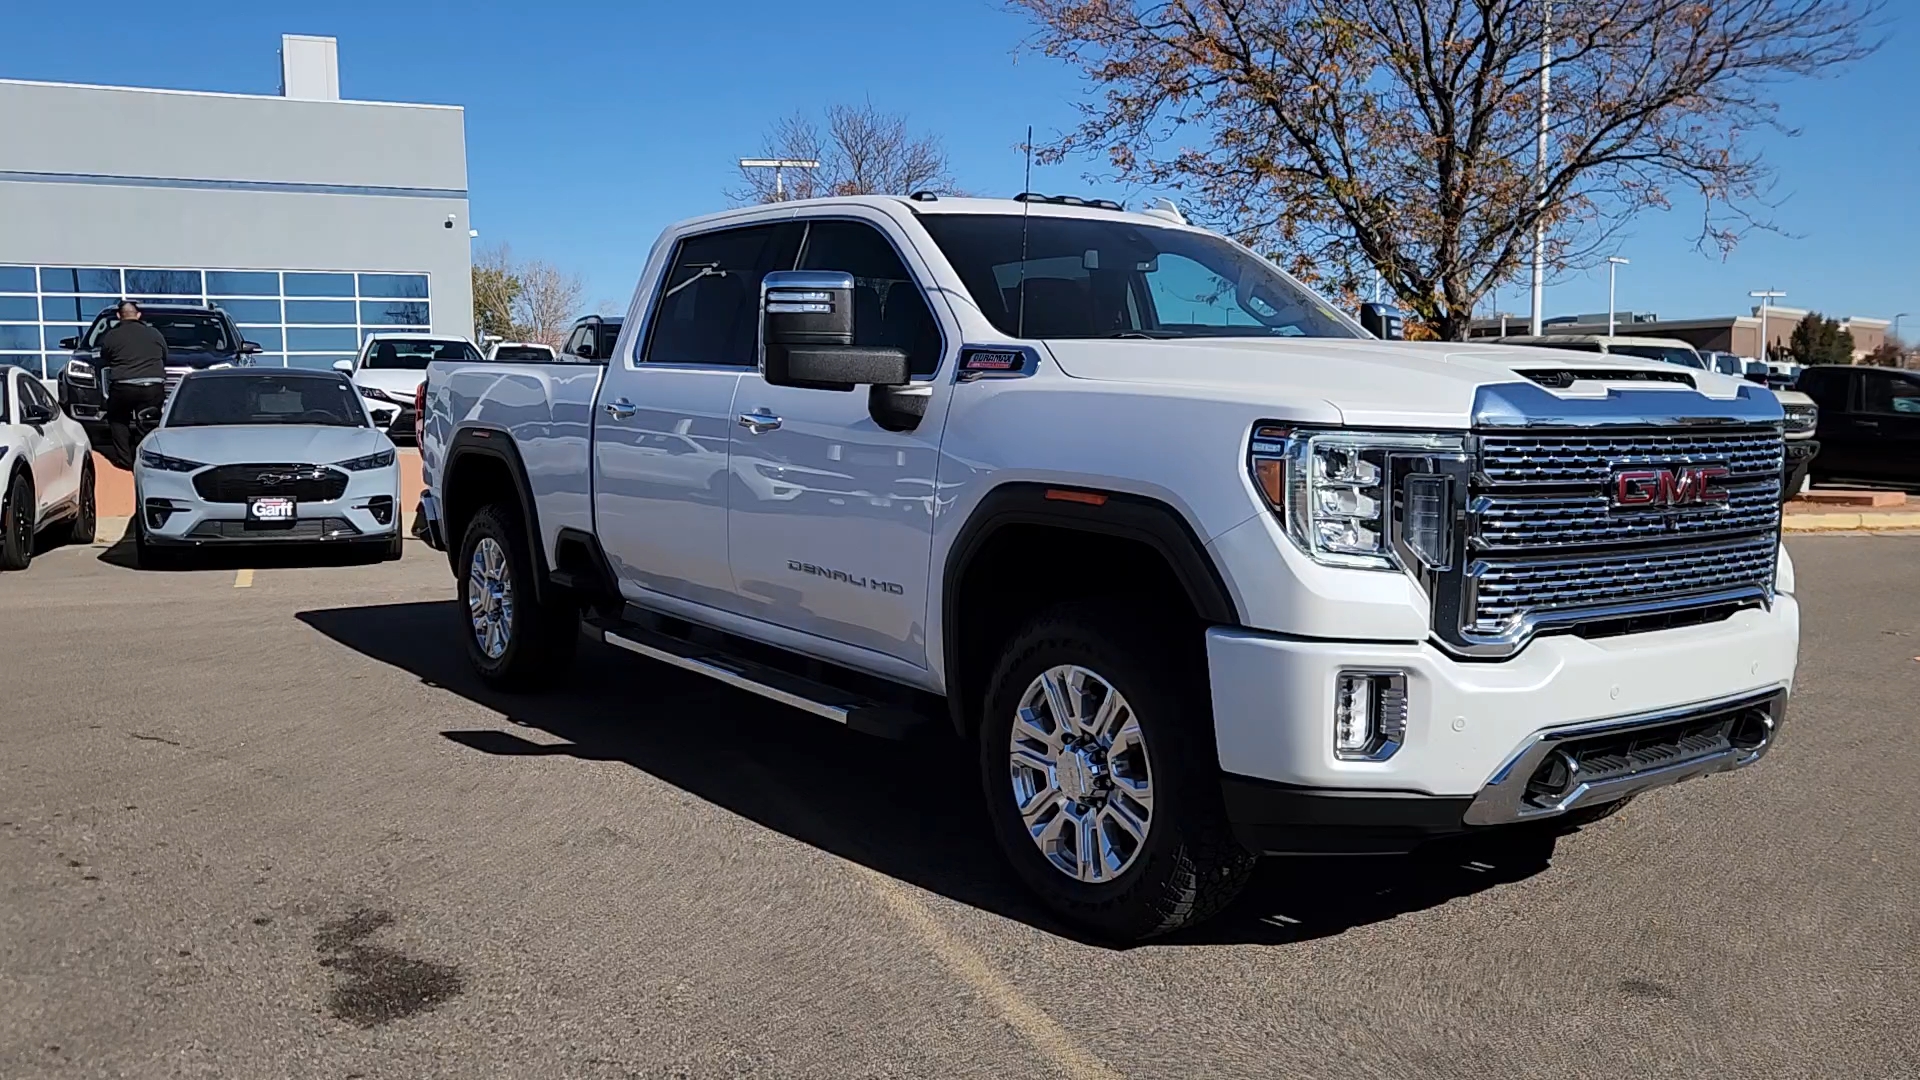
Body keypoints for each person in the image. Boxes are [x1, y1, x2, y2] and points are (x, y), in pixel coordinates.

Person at [96, 300, 169, 468]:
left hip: (123, 386)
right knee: (149, 423)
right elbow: (164, 355)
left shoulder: (112, 336)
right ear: (138, 315)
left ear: (118, 316)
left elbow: (105, 358)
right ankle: (150, 459)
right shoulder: (154, 333)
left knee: (118, 421)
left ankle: (125, 462)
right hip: (153, 386)